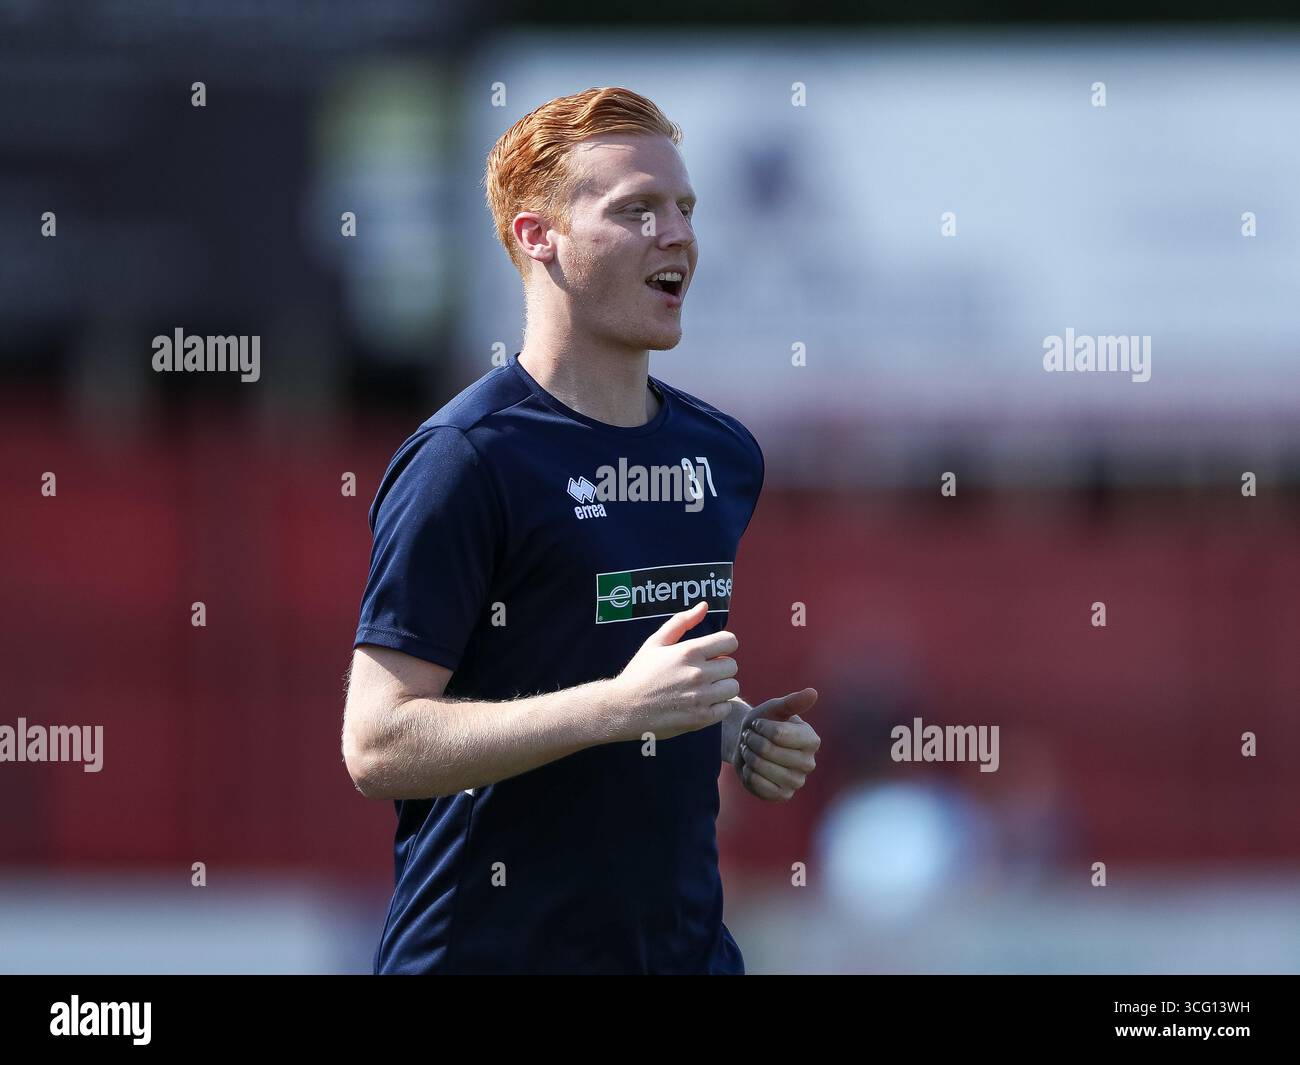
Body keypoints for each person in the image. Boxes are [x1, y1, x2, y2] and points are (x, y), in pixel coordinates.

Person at [342, 86, 821, 974]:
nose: (678, 234)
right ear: (538, 236)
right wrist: (616, 709)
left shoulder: (721, 454)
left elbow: (606, 659)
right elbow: (377, 744)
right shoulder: (465, 458)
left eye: (684, 208)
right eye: (637, 210)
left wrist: (730, 726)